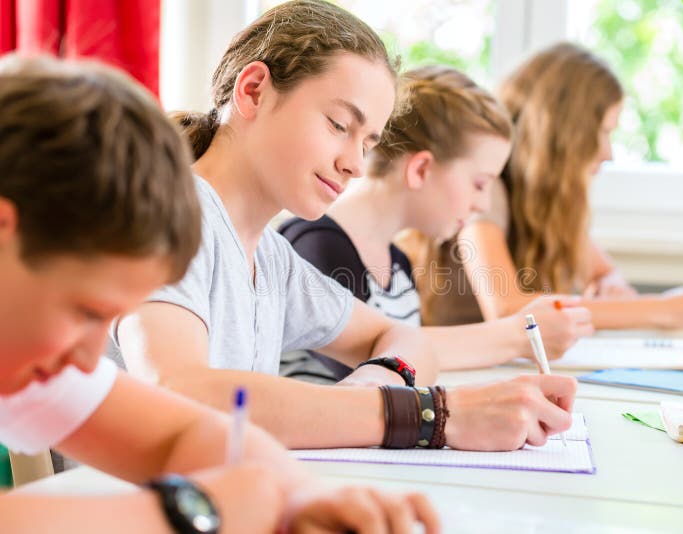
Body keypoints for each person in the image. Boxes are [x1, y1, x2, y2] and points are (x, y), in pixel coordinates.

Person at [111, 0, 577, 453]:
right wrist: (426, 415)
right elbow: (180, 394)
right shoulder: (166, 216)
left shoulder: (273, 260)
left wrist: (374, 385)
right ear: (253, 90)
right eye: (339, 125)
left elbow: (404, 338)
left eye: (368, 143)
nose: (354, 163)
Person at [0, 54, 438, 533]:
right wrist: (190, 512)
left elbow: (183, 432)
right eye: (85, 312)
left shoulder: (36, 364)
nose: (89, 361)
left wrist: (301, 495)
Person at [279, 65, 593, 384]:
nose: (482, 205)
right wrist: (514, 336)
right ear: (422, 169)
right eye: (480, 183)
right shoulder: (316, 246)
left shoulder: (398, 264)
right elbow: (374, 370)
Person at [407, 42, 683, 330]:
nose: (608, 152)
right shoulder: (486, 190)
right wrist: (663, 310)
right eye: (602, 132)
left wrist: (610, 284)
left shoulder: (548, 203)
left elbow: (603, 273)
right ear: (562, 135)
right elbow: (506, 309)